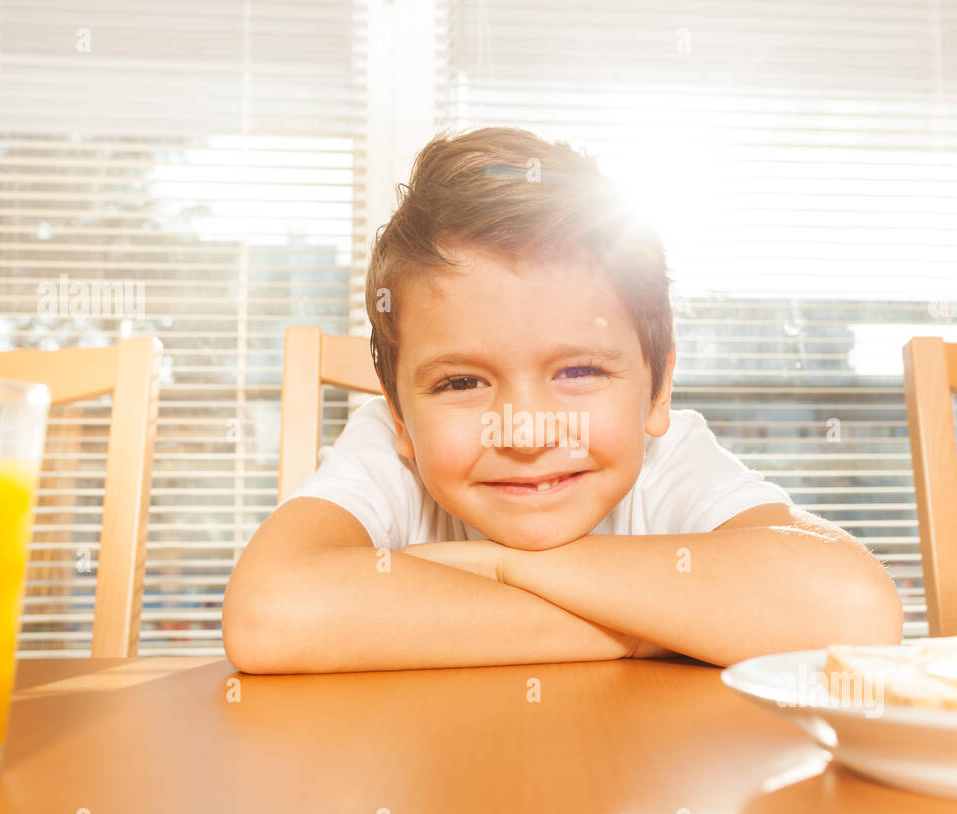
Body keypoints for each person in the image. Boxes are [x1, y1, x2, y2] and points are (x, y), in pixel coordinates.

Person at [223, 126, 903, 673]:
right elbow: (270, 614)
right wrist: (655, 626)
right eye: (461, 383)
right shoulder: (388, 453)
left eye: (578, 372)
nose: (525, 432)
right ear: (400, 416)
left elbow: (850, 610)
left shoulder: (667, 456)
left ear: (657, 390)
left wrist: (498, 564)